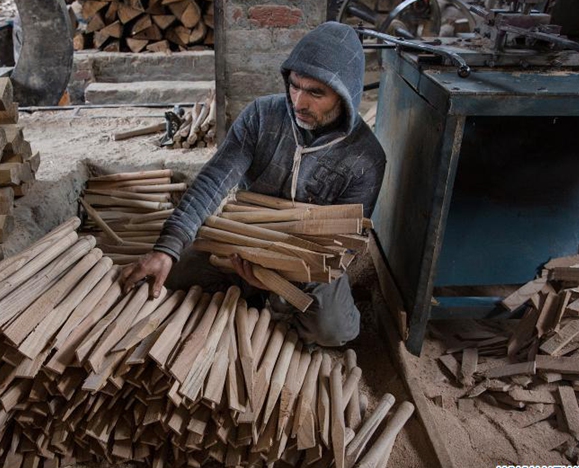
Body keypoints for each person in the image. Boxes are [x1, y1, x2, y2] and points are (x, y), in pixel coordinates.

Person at [120, 21, 386, 347]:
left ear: (345, 95)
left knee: (333, 330)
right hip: (240, 240)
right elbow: (213, 181)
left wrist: (274, 276)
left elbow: (343, 245)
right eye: (294, 85)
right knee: (176, 273)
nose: (299, 102)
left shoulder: (366, 158)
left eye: (316, 92)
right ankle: (254, 296)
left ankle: (272, 302)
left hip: (305, 265)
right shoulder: (261, 116)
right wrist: (167, 248)